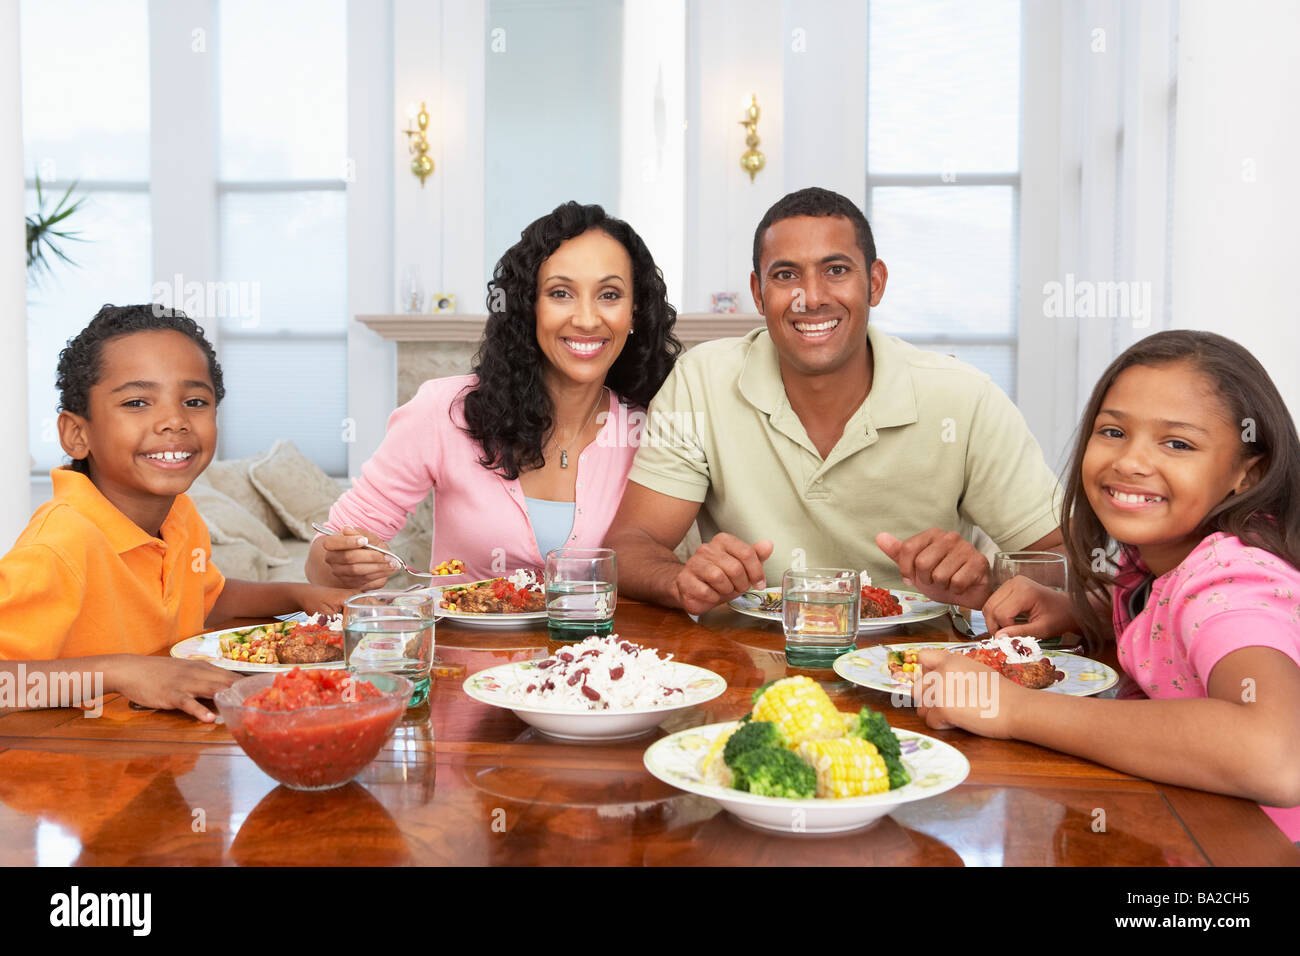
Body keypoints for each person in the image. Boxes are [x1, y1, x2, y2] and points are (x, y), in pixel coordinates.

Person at [916, 330, 1300, 840]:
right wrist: (1077, 609)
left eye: (1177, 443)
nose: (1130, 462)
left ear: (1247, 474)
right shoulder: (1161, 561)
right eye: (1113, 432)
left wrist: (1013, 708)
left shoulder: (1234, 579)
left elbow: (1275, 754)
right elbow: (1170, 618)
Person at [606, 187, 1062, 615]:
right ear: (757, 293)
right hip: (749, 658)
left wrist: (988, 581)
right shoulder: (701, 380)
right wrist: (682, 581)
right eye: (786, 275)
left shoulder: (965, 398)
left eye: (836, 270)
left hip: (921, 668)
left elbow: (1073, 562)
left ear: (876, 283)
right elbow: (631, 545)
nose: (812, 296)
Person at [0, 305, 355, 722]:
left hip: (157, 757)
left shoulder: (180, 517)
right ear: (78, 434)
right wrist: (119, 671)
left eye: (194, 401)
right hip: (74, 770)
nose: (174, 420)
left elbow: (210, 598)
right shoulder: (58, 546)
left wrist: (298, 595)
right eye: (136, 402)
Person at [307, 201, 682, 588]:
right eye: (560, 293)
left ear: (635, 311)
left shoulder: (652, 429)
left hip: (608, 650)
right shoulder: (442, 411)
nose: (587, 319)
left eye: (609, 295)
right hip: (460, 647)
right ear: (527, 305)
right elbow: (323, 557)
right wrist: (345, 560)